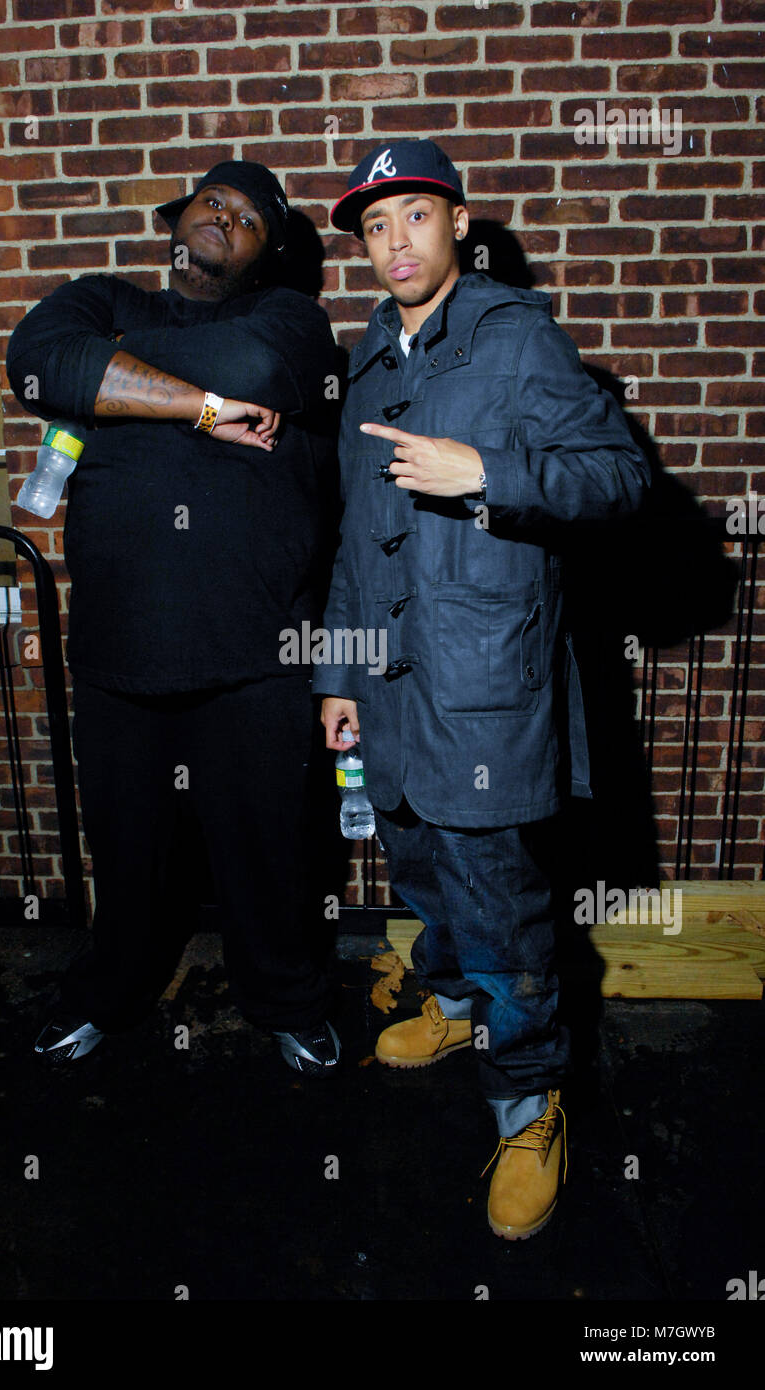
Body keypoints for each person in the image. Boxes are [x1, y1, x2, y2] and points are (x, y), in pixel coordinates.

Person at [317, 140, 651, 1237]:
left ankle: (528, 1101)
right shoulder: (365, 358)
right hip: (391, 690)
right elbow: (354, 545)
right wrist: (337, 671)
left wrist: (488, 476)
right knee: (415, 860)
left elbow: (619, 479)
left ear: (458, 222)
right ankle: (453, 1009)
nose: (393, 241)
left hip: (488, 691)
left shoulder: (515, 336)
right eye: (373, 226)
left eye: (413, 214)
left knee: (504, 910)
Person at [6, 160, 342, 1075]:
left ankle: (287, 1000)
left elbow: (254, 365)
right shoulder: (102, 293)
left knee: (267, 855)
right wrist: (199, 408)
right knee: (127, 856)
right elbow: (37, 364)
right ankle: (108, 995)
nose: (224, 221)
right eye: (212, 203)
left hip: (257, 652)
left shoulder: (293, 322)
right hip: (120, 650)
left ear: (269, 250)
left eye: (248, 219)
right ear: (178, 216)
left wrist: (107, 372)